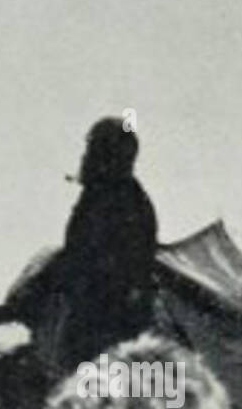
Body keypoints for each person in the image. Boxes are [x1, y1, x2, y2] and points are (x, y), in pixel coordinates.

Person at [47, 117, 160, 372]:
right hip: (99, 323)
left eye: (93, 149)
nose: (86, 156)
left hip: (103, 325)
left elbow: (109, 267)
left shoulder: (118, 201)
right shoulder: (116, 198)